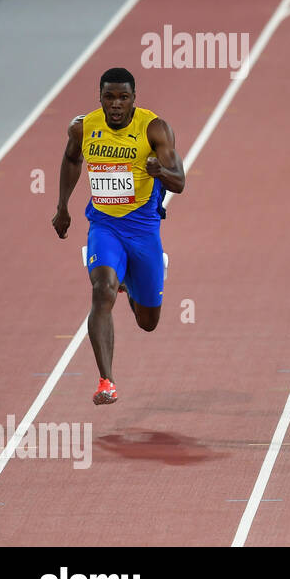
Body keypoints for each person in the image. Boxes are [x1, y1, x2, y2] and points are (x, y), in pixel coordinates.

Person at [52, 67, 185, 405]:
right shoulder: (83, 127)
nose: (115, 104)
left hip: (142, 231)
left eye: (123, 97)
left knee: (148, 322)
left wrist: (161, 172)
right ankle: (106, 380)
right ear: (99, 97)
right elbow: (71, 160)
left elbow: (180, 182)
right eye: (109, 97)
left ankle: (131, 281)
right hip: (104, 226)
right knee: (101, 290)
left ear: (134, 99)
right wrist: (62, 207)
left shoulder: (154, 128)